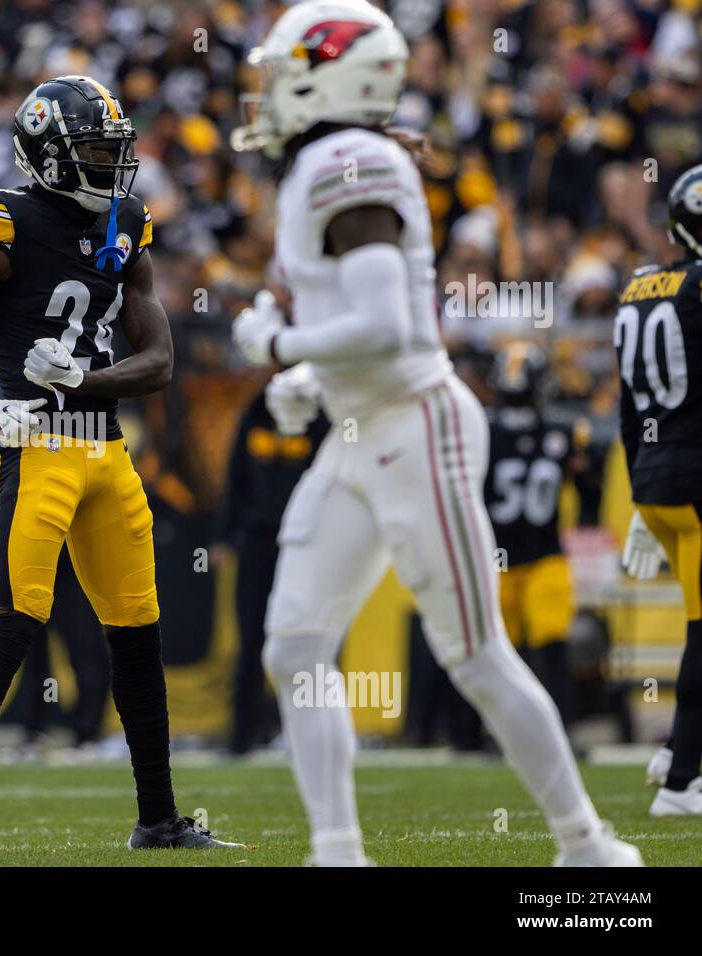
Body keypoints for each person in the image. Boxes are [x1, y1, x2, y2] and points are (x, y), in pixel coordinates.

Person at [229, 1, 638, 865]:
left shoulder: (346, 159)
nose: (265, 91)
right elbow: (372, 317)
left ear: (327, 71)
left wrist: (277, 346)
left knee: (477, 655)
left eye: (281, 71)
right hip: (359, 425)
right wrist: (309, 376)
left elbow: (385, 325)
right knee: (295, 642)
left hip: (414, 423)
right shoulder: (334, 158)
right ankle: (335, 852)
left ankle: (587, 846)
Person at [0, 75, 239, 854]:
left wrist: (85, 379)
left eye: (116, 150)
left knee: (137, 632)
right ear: (47, 156)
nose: (113, 166)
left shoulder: (127, 223)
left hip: (107, 451)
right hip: (35, 448)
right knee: (14, 625)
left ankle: (157, 819)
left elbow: (160, 361)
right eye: (96, 151)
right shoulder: (3, 221)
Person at [615, 161, 702, 816]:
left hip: (654, 478)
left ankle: (678, 751)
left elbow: (628, 409)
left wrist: (640, 498)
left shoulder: (641, 286)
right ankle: (680, 784)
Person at [214, 383, 327, 755]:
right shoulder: (257, 411)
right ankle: (243, 733)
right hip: (258, 542)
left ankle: (307, 733)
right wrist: (227, 535)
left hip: (304, 544)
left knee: (308, 639)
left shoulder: (321, 418)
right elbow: (236, 478)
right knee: (252, 640)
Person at [483, 342, 587, 723]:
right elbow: (589, 492)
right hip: (529, 555)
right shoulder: (560, 430)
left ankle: (506, 733)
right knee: (544, 649)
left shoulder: (486, 432)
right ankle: (554, 730)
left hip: (510, 556)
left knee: (517, 652)